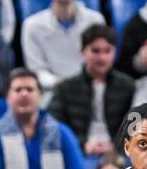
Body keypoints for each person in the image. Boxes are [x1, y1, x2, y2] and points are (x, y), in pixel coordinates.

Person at [21, 0, 107, 105]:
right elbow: (37, 69)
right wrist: (59, 83)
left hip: (88, 88)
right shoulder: (32, 25)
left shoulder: (95, 20)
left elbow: (99, 60)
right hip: (50, 91)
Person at [49, 24, 135, 157]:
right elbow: (55, 125)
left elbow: (137, 124)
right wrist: (82, 145)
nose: (102, 58)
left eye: (107, 51)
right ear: (83, 51)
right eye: (95, 51)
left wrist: (115, 146)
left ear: (115, 53)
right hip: (77, 153)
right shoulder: (65, 88)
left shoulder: (128, 86)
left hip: (119, 153)